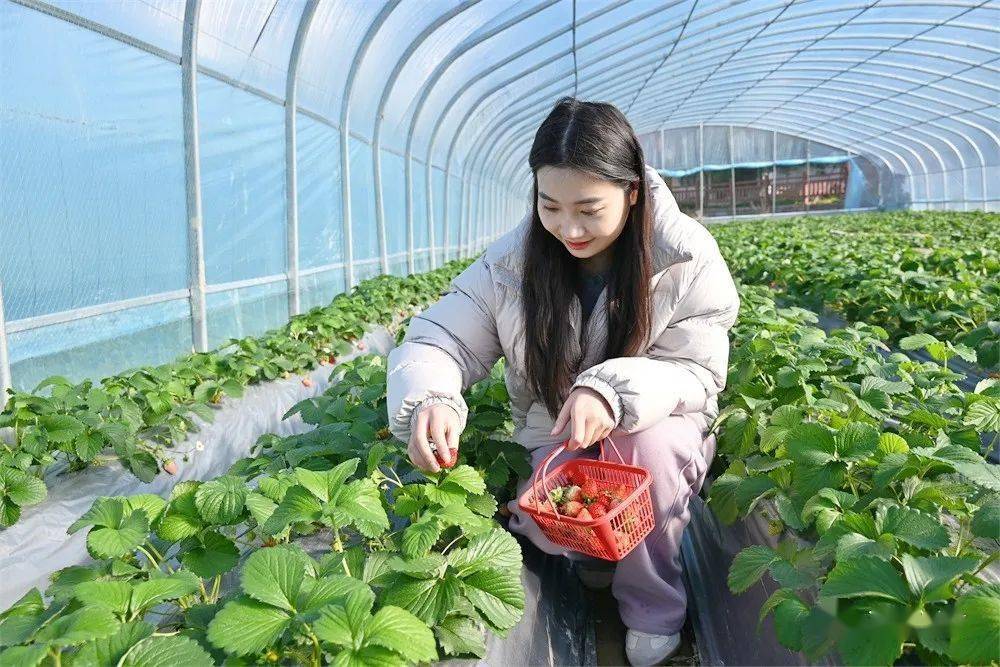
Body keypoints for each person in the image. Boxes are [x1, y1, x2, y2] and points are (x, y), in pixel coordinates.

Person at [386, 97, 740, 666]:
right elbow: (440, 338)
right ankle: (592, 557)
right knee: (549, 512)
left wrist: (610, 392)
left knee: (643, 453)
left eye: (588, 209)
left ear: (632, 192)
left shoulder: (684, 257)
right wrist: (431, 398)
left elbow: (697, 372)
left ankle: (652, 607)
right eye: (549, 206)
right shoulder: (511, 264)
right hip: (556, 433)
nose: (568, 228)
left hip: (662, 432)